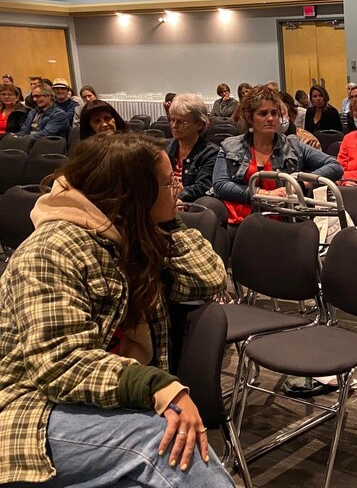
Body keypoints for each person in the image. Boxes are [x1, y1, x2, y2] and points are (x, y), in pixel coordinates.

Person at [0, 132, 233, 486]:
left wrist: (168, 218)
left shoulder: (132, 235)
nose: (178, 189)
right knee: (160, 443)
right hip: (36, 407)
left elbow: (210, 277)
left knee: (159, 460)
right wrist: (157, 385)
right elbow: (60, 364)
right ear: (134, 194)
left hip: (108, 401)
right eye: (168, 182)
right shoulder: (52, 250)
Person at [212, 85, 343, 225]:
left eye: (274, 113)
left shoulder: (293, 145)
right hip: (241, 220)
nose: (270, 118)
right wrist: (264, 194)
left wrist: (298, 185)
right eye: (263, 114)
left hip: (285, 218)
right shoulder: (230, 146)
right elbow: (220, 185)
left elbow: (335, 166)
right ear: (250, 118)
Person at [167, 93, 218, 203]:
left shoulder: (211, 153)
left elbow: (203, 187)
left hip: (190, 206)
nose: (174, 126)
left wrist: (178, 195)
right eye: (172, 120)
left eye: (181, 121)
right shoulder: (165, 147)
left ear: (199, 124)